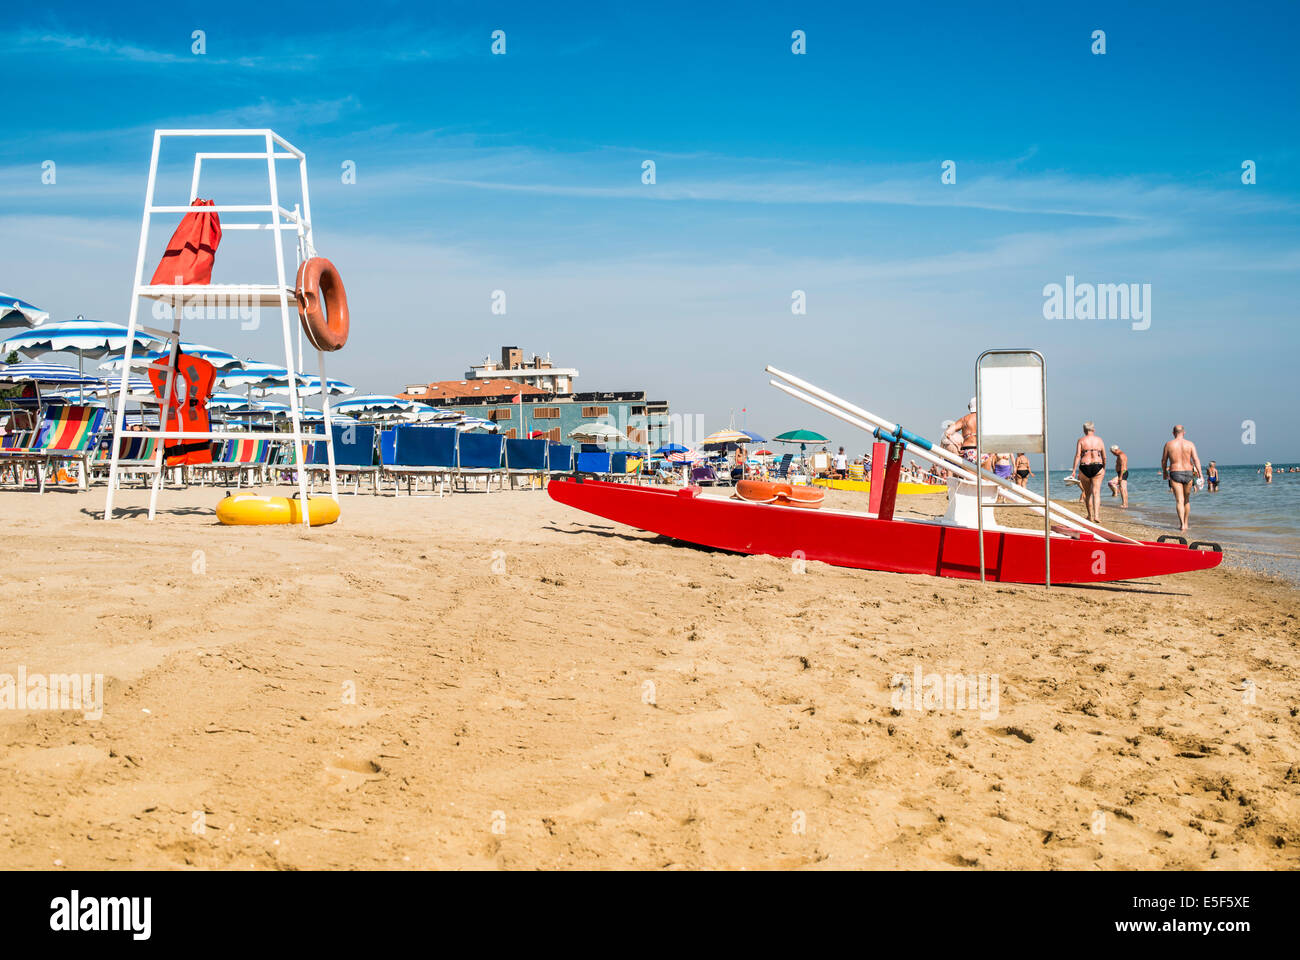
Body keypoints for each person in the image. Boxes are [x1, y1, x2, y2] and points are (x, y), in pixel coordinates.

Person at [1161, 424, 1203, 532]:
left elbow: (1164, 460)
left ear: (1173, 433)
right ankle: (1186, 523)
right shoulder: (1190, 444)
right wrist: (1200, 474)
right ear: (1184, 432)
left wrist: (1165, 473)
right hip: (1188, 472)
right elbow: (1196, 459)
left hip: (1175, 472)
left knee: (1179, 500)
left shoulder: (1169, 444)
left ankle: (1182, 525)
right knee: (1186, 500)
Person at [1069, 422, 1106, 523]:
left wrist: (1074, 470)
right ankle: (1096, 516)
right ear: (1094, 429)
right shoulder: (1099, 440)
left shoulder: (1081, 440)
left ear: (1084, 430)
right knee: (1096, 493)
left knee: (1088, 493)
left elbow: (1078, 455)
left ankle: (1090, 516)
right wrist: (1104, 468)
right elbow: (1104, 456)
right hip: (1097, 466)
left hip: (1084, 466)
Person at [943, 399, 978, 463]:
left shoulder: (964, 419)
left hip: (969, 451)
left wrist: (957, 445)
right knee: (986, 469)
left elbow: (947, 432)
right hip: (983, 451)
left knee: (968, 469)